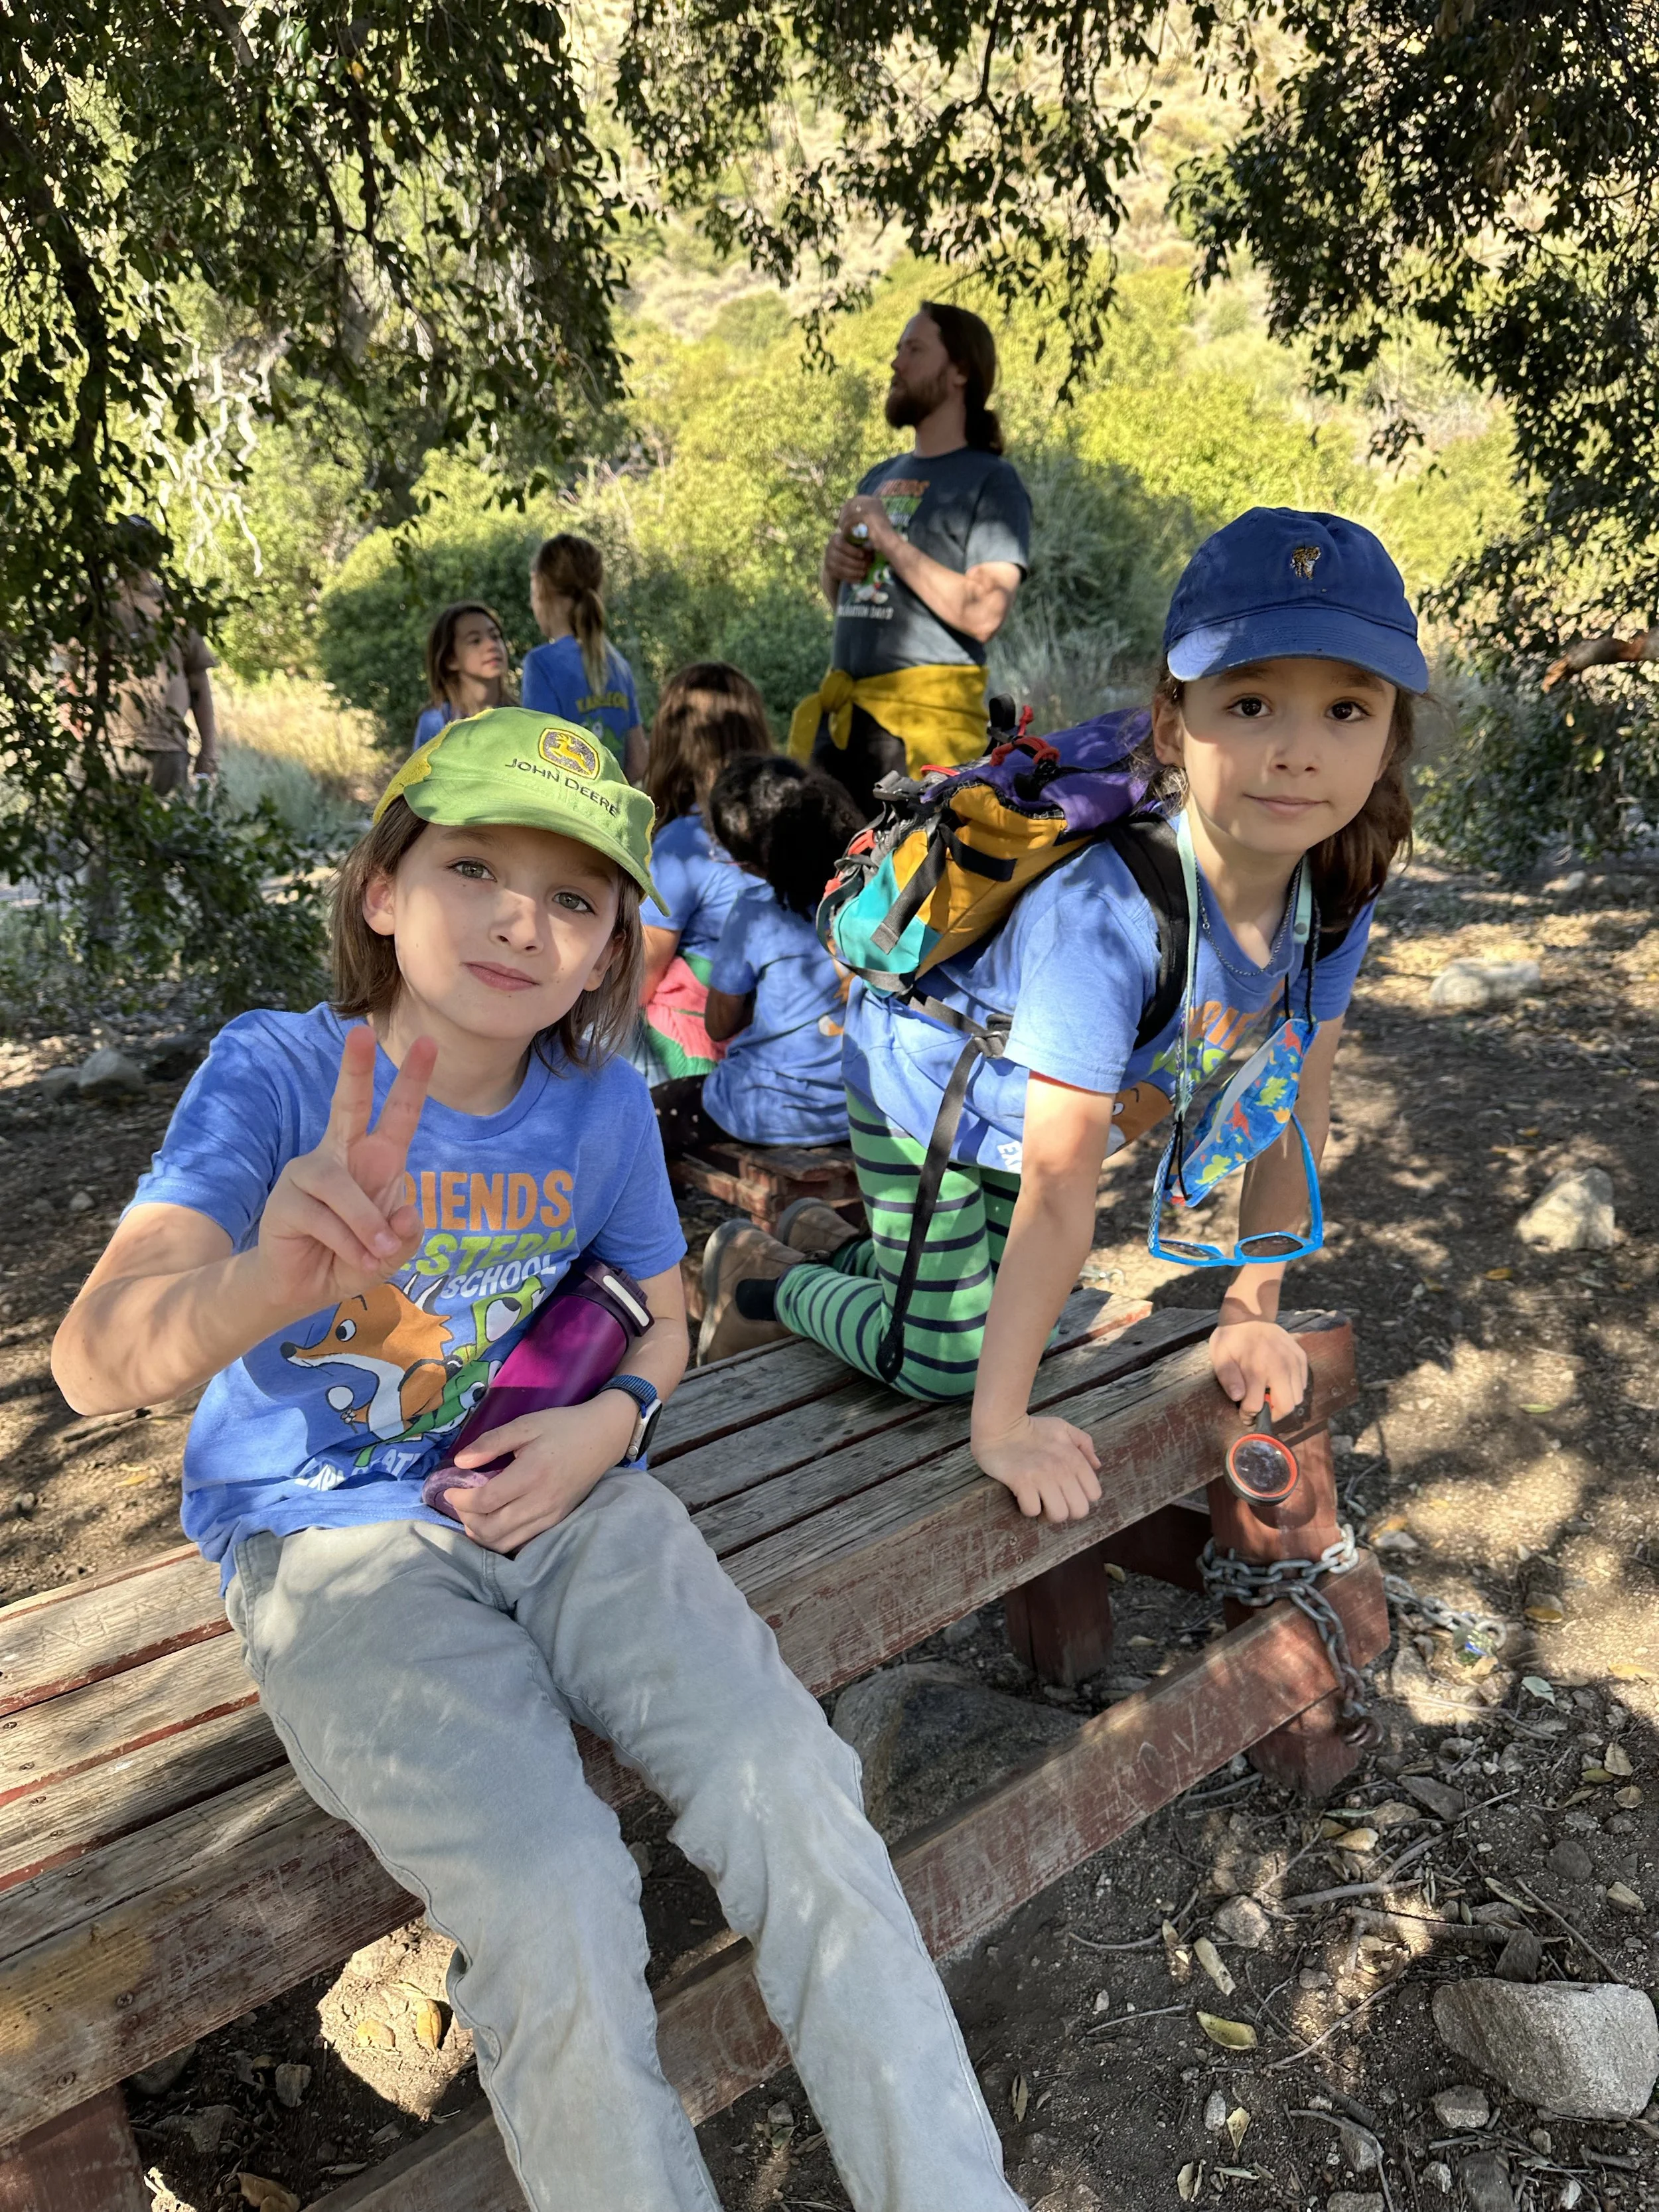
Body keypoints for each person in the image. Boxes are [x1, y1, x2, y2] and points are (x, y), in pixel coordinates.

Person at [50, 706, 1025, 2212]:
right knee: (552, 1884)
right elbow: (92, 1360)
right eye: (476, 868)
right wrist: (269, 1279)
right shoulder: (278, 1075)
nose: (522, 917)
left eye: (573, 897)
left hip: (576, 1495)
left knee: (789, 1780)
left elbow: (665, 1310)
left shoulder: (598, 1105)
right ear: (383, 887)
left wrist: (608, 1425)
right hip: (332, 1543)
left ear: (610, 949)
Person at [705, 508, 1424, 1530]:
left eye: (1347, 710)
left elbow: (1291, 1114)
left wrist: (1250, 1308)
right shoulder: (1108, 916)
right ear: (1175, 726)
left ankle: (850, 1252)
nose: (1300, 752)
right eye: (1252, 702)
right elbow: (1057, 1188)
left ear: (1392, 730)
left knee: (1012, 1314)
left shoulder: (1336, 889)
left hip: (1023, 1105)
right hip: (926, 1087)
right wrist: (1000, 1430)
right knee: (948, 1360)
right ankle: (759, 1281)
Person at [790, 302, 1032, 817]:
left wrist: (887, 538)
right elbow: (846, 601)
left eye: (914, 349)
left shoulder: (992, 481)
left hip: (922, 734)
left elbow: (983, 614)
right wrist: (834, 568)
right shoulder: (879, 475)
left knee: (904, 891)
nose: (896, 364)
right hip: (844, 722)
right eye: (899, 349)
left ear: (961, 372)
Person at [653, 757, 859, 1167]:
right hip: (863, 1108)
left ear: (752, 863)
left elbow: (719, 1025)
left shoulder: (756, 911)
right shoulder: (871, 896)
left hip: (765, 1109)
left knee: (649, 1112)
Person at [636, 661, 776, 1083]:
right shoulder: (783, 828)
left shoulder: (685, 845)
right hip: (769, 1034)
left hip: (698, 1052)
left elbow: (640, 976)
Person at [522, 534, 647, 784]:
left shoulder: (541, 664)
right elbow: (639, 762)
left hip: (567, 817)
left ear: (541, 588)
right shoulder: (617, 664)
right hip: (613, 815)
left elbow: (541, 760)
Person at [111, 572, 221, 794]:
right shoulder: (100, 603)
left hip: (169, 749)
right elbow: (69, 663)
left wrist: (209, 750)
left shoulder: (175, 609)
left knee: (168, 825)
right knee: (101, 827)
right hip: (110, 745)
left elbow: (198, 681)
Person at [413, 601, 510, 749]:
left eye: (495, 636)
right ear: (451, 660)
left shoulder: (523, 713)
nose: (492, 645)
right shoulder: (434, 723)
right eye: (475, 641)